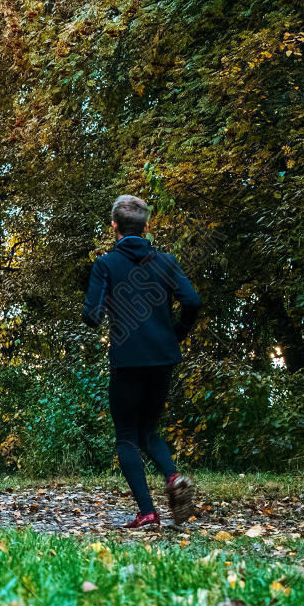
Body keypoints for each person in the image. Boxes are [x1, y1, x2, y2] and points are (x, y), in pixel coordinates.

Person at [82, 195, 201, 529]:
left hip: (127, 359)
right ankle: (173, 477)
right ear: (146, 225)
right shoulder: (167, 262)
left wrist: (103, 308)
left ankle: (147, 511)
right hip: (162, 358)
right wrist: (176, 334)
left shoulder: (106, 264)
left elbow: (91, 316)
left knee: (126, 436)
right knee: (148, 429)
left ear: (114, 226)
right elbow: (192, 301)